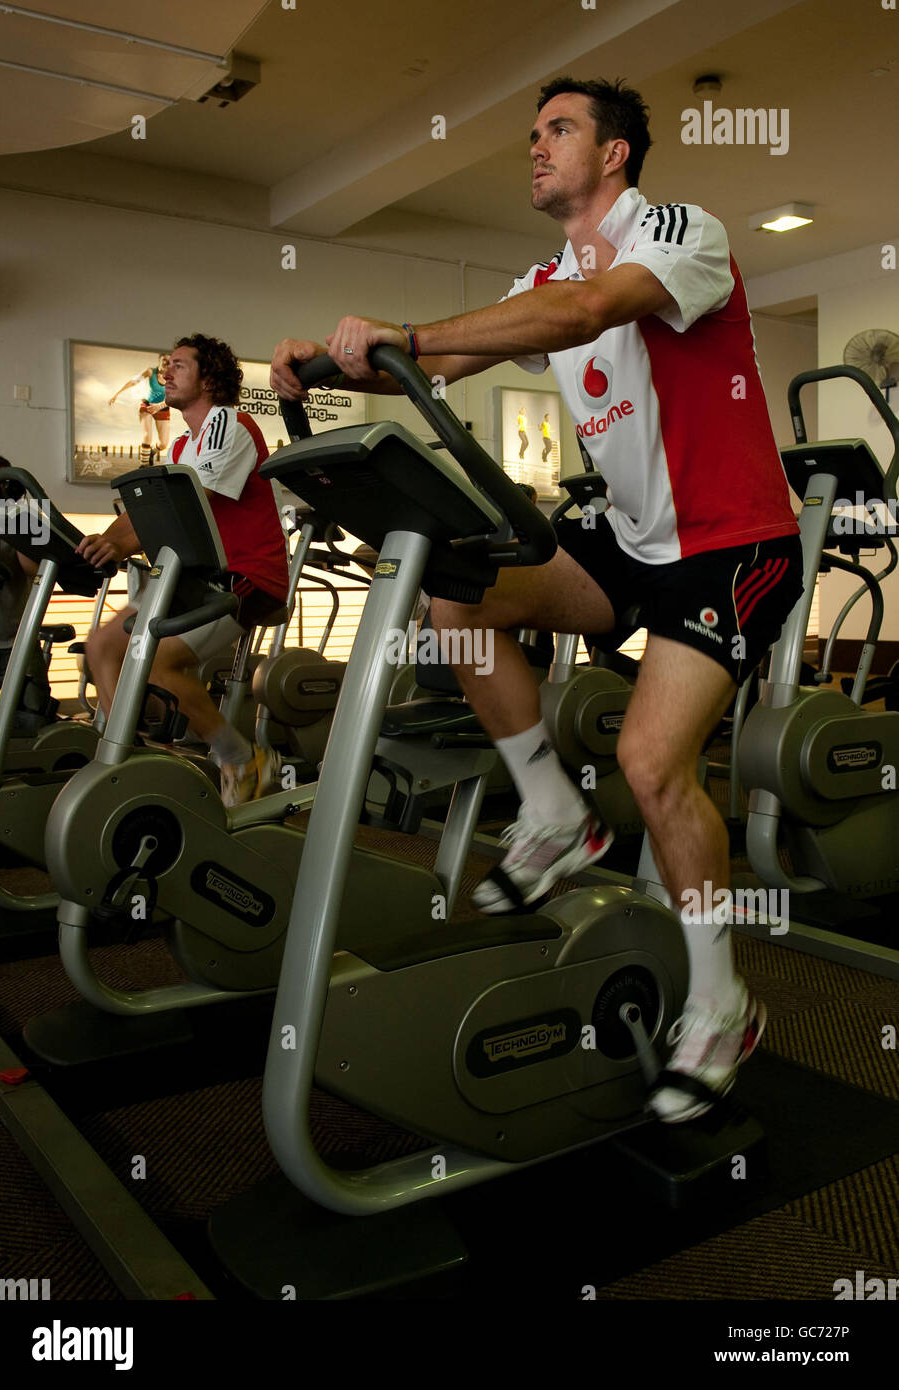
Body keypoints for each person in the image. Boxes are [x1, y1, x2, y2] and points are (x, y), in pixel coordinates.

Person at [270, 76, 804, 1123]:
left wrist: (407, 335)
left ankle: (721, 1001)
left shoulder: (676, 231)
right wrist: (335, 366)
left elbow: (592, 308)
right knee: (456, 593)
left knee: (652, 763)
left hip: (731, 549)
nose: (534, 145)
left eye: (556, 129)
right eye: (530, 132)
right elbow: (453, 354)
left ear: (613, 154)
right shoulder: (542, 273)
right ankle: (552, 811)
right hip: (631, 545)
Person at [81, 336, 289, 807]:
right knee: (103, 646)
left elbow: (186, 508)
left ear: (210, 378)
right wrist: (101, 544)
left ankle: (245, 759)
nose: (165, 374)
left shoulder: (230, 425)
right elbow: (144, 513)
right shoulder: (179, 445)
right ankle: (125, 760)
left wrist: (115, 545)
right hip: (191, 580)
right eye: (164, 365)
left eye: (178, 365)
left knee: (156, 661)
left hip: (245, 577)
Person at [0, 455, 51, 722]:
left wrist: (12, 522)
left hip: (17, 642)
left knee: (34, 723)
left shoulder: (23, 521)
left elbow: (35, 572)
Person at [109, 352, 173, 465]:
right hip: (147, 405)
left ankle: (151, 453)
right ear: (159, 360)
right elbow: (133, 382)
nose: (166, 363)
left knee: (163, 444)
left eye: (169, 361)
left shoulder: (173, 378)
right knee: (147, 436)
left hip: (162, 407)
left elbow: (175, 397)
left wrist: (159, 406)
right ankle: (144, 465)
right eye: (164, 359)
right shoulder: (150, 372)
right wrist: (117, 394)